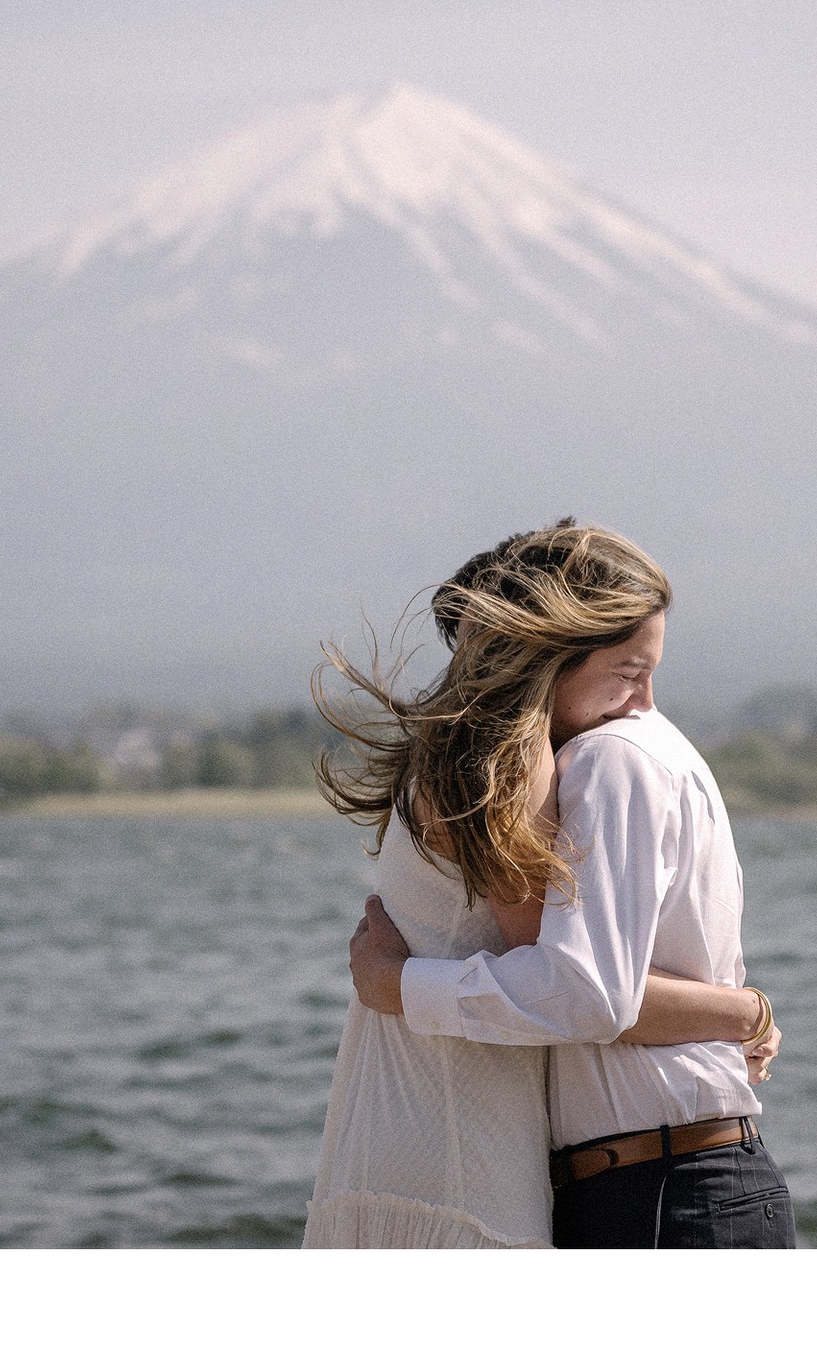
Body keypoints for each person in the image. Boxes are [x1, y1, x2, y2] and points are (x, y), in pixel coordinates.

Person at [307, 519, 788, 1248]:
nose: (647, 699)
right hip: (504, 1144)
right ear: (546, 653)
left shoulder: (572, 758)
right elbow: (586, 989)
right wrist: (740, 1013)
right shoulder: (525, 767)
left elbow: (583, 988)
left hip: (599, 1158)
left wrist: (742, 1013)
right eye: (629, 672)